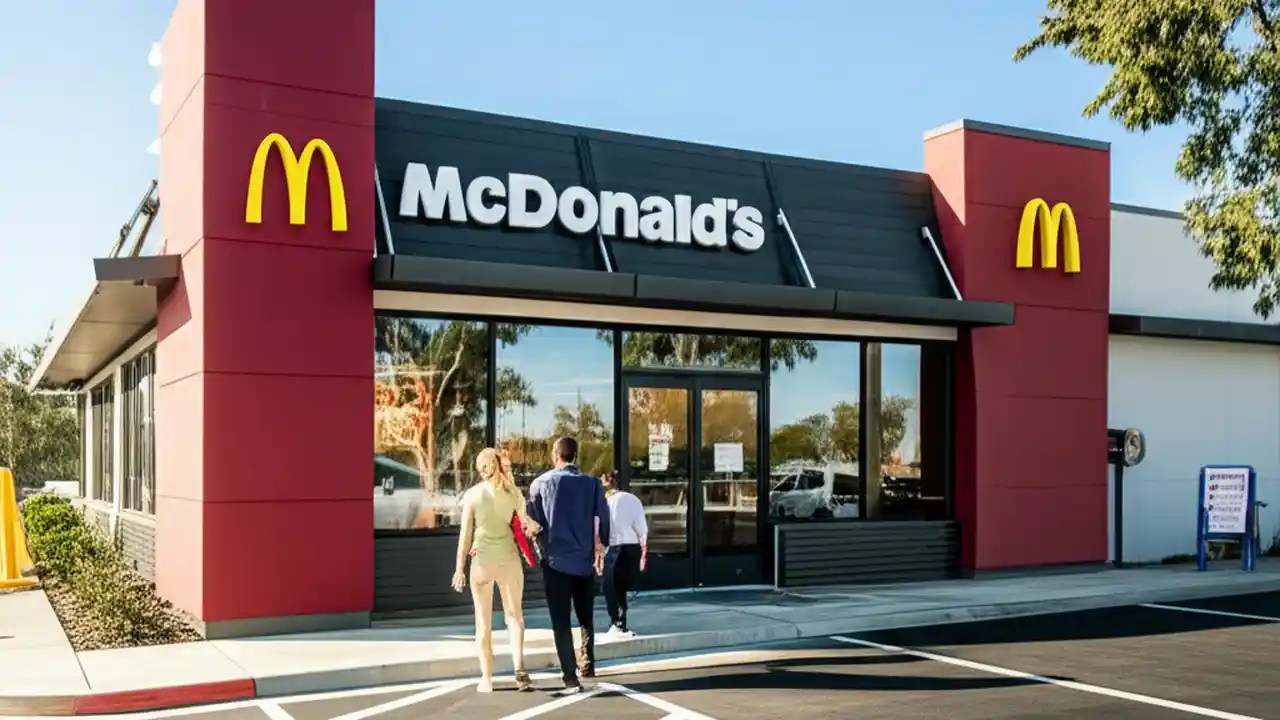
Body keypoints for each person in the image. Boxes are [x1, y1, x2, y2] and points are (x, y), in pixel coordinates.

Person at [527, 437, 610, 695]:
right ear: (576, 455)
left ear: (555, 455)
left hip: (555, 561)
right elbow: (603, 519)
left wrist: (539, 550)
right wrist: (601, 546)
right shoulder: (593, 484)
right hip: (584, 561)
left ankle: (569, 675)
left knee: (560, 619)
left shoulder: (539, 484)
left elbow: (533, 523)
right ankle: (588, 662)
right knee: (586, 614)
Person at [451, 448, 537, 693]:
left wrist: (459, 569)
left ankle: (487, 679)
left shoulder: (473, 496)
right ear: (496, 465)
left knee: (483, 623)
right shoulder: (512, 494)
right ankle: (520, 671)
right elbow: (527, 526)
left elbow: (465, 536)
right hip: (509, 560)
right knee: (515, 616)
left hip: (481, 563)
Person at [601, 470, 647, 637]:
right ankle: (621, 622)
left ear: (606, 482)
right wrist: (643, 544)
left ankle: (617, 623)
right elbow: (641, 526)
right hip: (632, 545)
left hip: (614, 547)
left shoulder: (605, 502)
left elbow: (603, 526)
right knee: (621, 587)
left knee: (611, 587)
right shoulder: (633, 499)